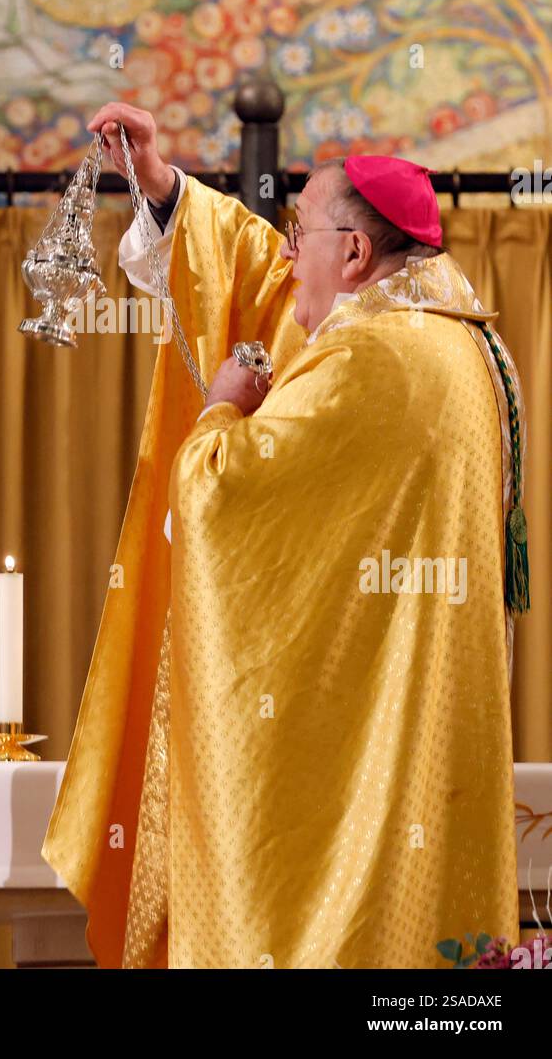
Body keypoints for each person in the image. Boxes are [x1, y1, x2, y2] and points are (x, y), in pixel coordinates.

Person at [42, 102, 527, 969]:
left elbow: (217, 497)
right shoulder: (447, 338)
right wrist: (159, 186)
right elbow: (274, 285)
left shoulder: (373, 361)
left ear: (352, 253)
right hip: (409, 712)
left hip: (364, 740)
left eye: (297, 229)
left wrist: (224, 401)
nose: (285, 249)